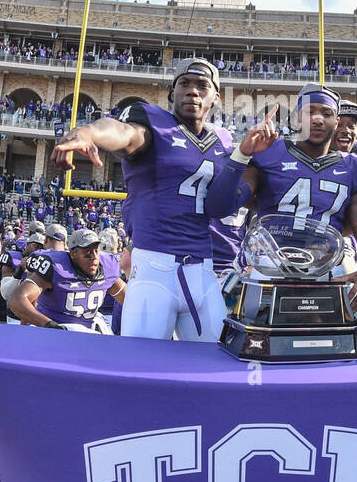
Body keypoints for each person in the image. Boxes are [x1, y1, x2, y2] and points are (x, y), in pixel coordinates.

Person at [50, 58, 233, 342]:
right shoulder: (152, 124)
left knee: (216, 364)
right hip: (154, 271)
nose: (193, 91)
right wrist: (89, 133)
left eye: (202, 86)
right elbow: (122, 133)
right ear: (172, 93)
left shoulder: (224, 142)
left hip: (204, 271)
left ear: (215, 97)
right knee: (142, 364)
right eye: (184, 84)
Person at [204, 84, 357, 313]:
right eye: (310, 111)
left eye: (326, 113)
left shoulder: (353, 166)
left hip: (323, 273)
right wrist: (243, 154)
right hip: (268, 270)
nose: (318, 119)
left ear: (336, 122)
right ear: (297, 117)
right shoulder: (269, 151)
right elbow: (219, 207)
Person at [8, 228, 125, 331]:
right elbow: (16, 300)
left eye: (96, 251)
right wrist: (48, 325)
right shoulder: (56, 267)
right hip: (52, 331)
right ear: (73, 253)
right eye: (88, 253)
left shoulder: (107, 266)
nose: (94, 257)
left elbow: (128, 299)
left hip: (87, 333)